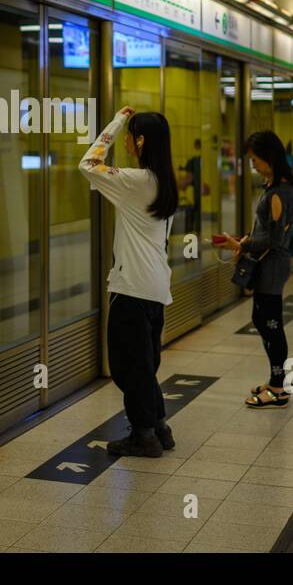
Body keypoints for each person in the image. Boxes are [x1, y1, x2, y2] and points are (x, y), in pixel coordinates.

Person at [80, 106, 176, 458]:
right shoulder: (165, 182)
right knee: (146, 364)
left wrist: (116, 122)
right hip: (155, 288)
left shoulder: (135, 181)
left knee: (128, 367)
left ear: (139, 140)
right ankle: (159, 426)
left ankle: (144, 436)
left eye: (130, 136)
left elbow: (87, 164)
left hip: (131, 288)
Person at [217, 131, 293, 408]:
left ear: (269, 158)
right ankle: (276, 381)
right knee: (262, 320)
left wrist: (242, 243)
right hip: (270, 264)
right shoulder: (274, 188)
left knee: (271, 324)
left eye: (255, 159)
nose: (252, 164)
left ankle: (278, 388)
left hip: (272, 266)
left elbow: (274, 240)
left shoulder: (278, 193)